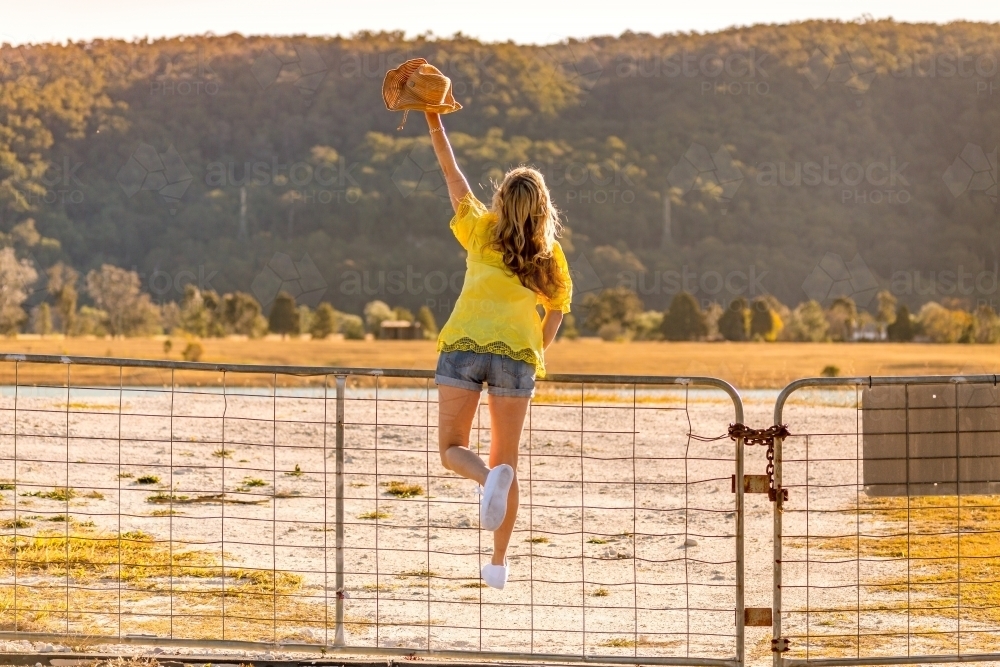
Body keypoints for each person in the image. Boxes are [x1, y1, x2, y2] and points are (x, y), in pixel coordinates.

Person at [425, 110, 573, 590]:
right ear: (542, 206)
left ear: (502, 200)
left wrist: (433, 118)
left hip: (463, 344)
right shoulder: (548, 252)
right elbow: (558, 308)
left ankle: (485, 479)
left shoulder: (481, 230)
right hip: (516, 357)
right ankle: (498, 564)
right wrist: (535, 350)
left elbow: (453, 175)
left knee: (452, 449)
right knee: (507, 462)